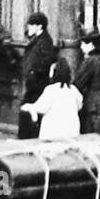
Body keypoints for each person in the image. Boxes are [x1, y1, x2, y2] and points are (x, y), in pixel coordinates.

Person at [18, 12, 58, 140]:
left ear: (39, 26)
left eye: (31, 25)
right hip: (34, 83)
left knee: (30, 113)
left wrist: (33, 73)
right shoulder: (38, 40)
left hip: (37, 85)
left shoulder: (44, 42)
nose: (28, 28)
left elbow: (45, 61)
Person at [21, 59, 83, 140]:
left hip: (53, 131)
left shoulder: (51, 90)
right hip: (72, 131)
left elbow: (41, 108)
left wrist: (27, 106)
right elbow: (80, 106)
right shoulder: (74, 90)